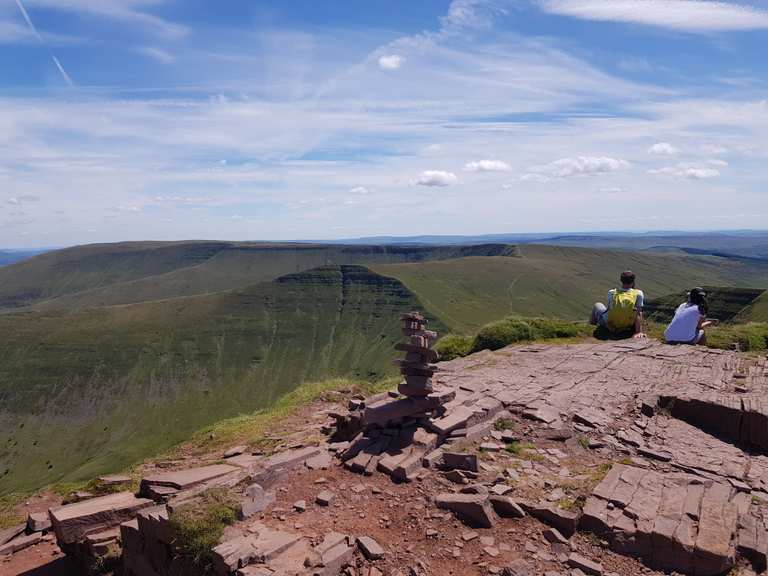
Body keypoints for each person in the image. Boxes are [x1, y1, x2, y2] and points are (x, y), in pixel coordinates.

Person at [589, 270, 646, 339]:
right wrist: (638, 331)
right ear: (633, 281)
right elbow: (639, 313)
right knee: (636, 310)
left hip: (609, 325)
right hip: (627, 325)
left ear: (621, 280)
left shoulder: (612, 292)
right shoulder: (638, 293)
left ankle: (591, 325)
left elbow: (610, 309)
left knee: (597, 305)